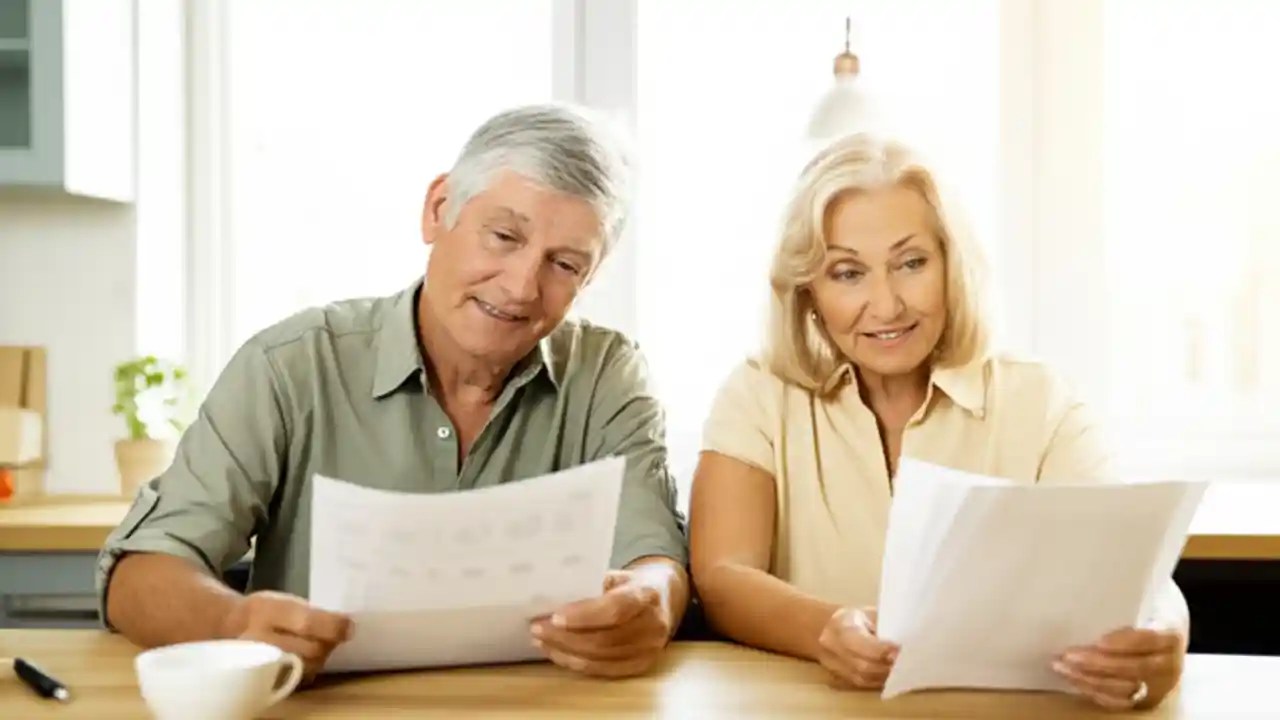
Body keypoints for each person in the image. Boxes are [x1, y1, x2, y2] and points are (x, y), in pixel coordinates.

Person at [97, 104, 689, 680]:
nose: (521, 286)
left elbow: (654, 561)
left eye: (565, 265)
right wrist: (231, 620)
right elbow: (141, 570)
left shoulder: (609, 375)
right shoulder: (292, 365)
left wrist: (652, 602)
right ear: (438, 210)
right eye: (504, 236)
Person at [688, 134, 1188, 710]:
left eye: (911, 264)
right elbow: (723, 576)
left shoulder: (1039, 400)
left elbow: (1131, 569)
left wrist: (1167, 633)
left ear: (953, 265)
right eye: (848, 273)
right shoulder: (758, 393)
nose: (887, 305)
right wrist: (827, 629)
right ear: (808, 292)